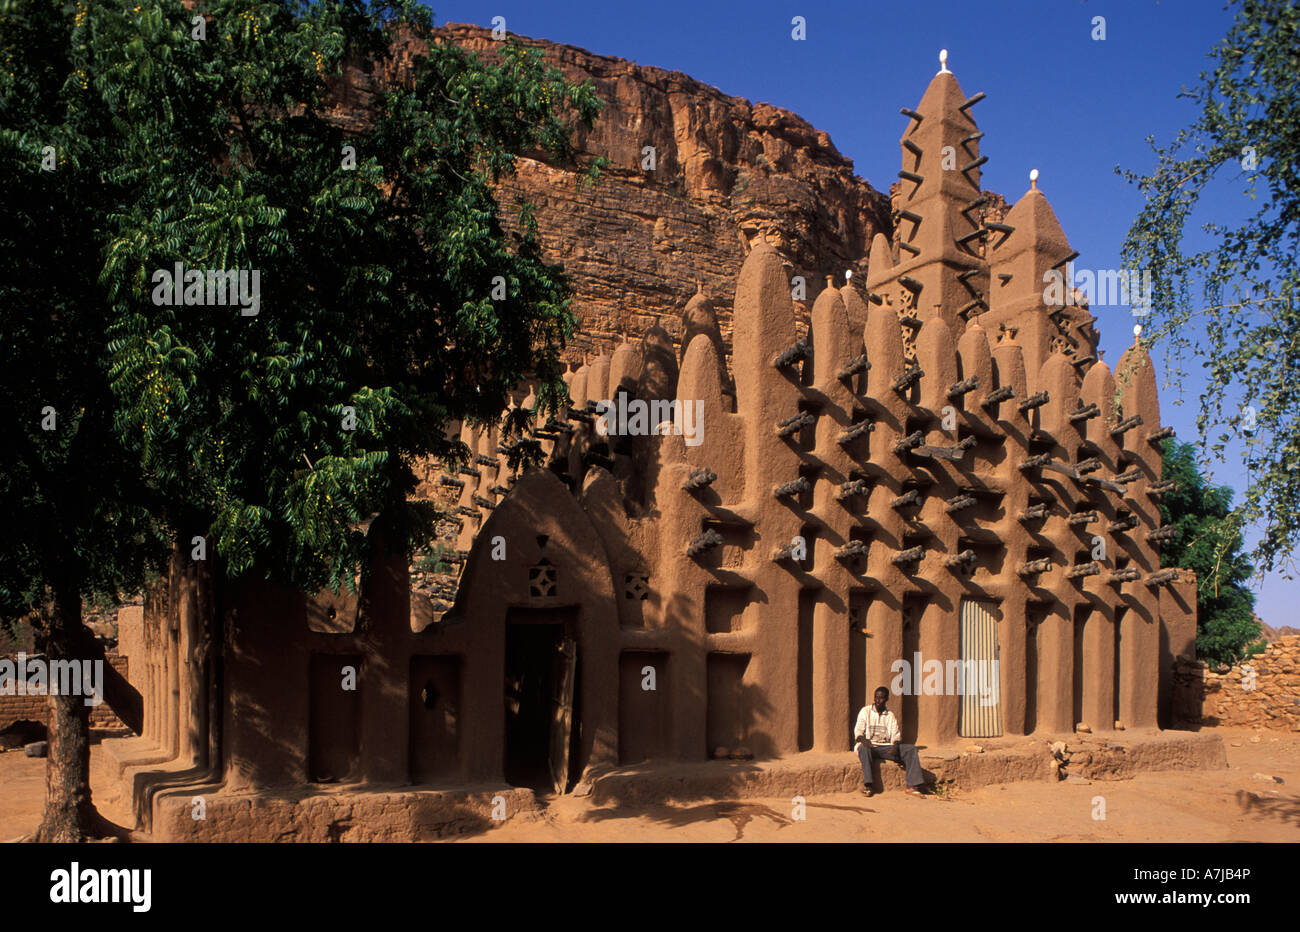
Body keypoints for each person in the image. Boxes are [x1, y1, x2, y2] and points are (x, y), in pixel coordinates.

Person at [854, 686, 926, 797]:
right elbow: (858, 732)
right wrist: (864, 740)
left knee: (910, 749)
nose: (878, 701)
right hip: (869, 746)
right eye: (876, 697)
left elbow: (896, 735)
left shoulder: (890, 715)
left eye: (881, 698)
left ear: (886, 699)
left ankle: (912, 786)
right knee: (863, 749)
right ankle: (868, 786)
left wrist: (895, 746)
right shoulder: (865, 711)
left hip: (885, 747)